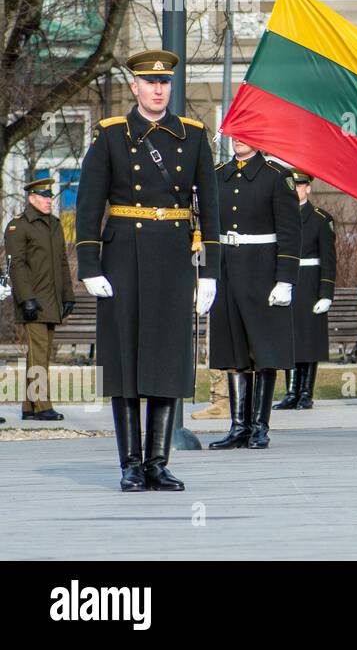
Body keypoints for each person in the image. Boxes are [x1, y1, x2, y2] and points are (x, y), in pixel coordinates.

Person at [75, 49, 220, 491]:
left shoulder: (193, 135)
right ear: (135, 86)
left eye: (164, 83)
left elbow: (210, 208)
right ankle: (130, 465)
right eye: (149, 82)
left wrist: (209, 271)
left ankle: (158, 462)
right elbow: (88, 203)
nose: (158, 89)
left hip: (174, 257)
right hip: (123, 258)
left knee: (166, 357)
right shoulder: (111, 135)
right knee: (125, 361)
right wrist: (89, 263)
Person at [207, 140, 301, 450]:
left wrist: (285, 279)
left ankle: (260, 427)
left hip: (263, 273)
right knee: (235, 352)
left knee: (263, 352)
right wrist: (206, 276)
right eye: (234, 132)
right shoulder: (219, 174)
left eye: (244, 132)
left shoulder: (276, 176)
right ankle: (239, 426)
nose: (238, 138)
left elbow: (290, 233)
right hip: (228, 271)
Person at [5, 177, 75, 421]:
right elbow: (17, 266)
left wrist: (68, 295)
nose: (48, 200)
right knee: (39, 351)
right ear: (31, 198)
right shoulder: (18, 226)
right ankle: (42, 405)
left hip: (52, 299)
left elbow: (63, 262)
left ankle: (29, 407)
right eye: (44, 197)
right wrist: (26, 299)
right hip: (33, 300)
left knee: (40, 353)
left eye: (49, 196)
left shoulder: (54, 224)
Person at [274, 171, 336, 410]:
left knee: (309, 341)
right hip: (287, 281)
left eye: (301, 185)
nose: (297, 189)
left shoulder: (321, 219)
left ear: (308, 188)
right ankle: (290, 391)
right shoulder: (280, 217)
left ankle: (306, 392)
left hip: (310, 282)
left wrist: (326, 294)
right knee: (289, 339)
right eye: (294, 185)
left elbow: (329, 260)